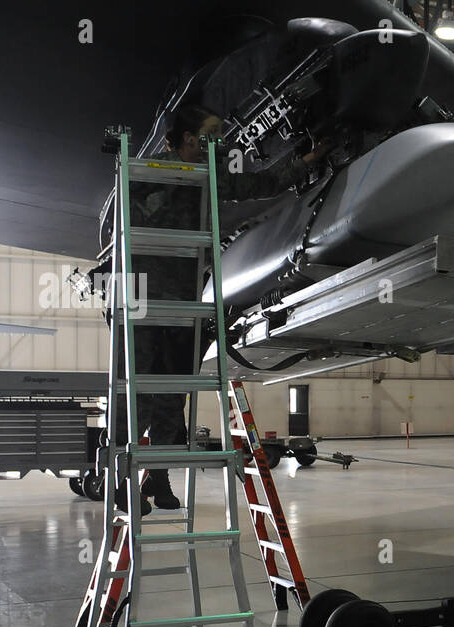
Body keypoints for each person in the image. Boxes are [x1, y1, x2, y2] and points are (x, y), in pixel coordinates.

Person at [123, 103, 326, 511]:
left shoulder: (211, 175)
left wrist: (313, 156)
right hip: (144, 302)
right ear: (186, 138)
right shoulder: (148, 173)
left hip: (185, 304)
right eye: (211, 134)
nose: (219, 141)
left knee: (173, 393)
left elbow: (262, 183)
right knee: (139, 395)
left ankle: (157, 479)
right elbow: (128, 223)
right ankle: (120, 482)